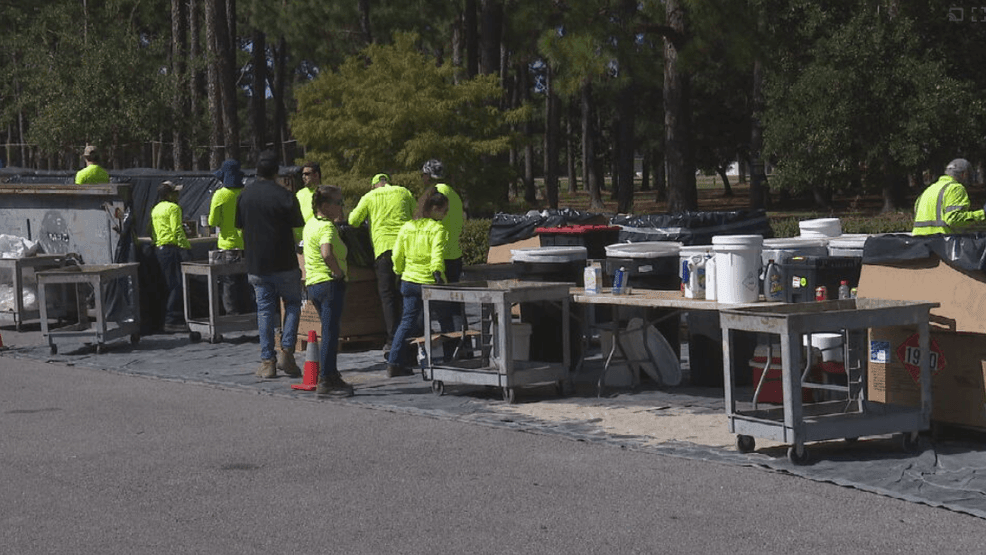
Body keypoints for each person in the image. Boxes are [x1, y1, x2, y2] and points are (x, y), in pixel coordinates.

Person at [235, 150, 306, 379]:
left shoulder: (245, 196)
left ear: (257, 170)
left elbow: (239, 226)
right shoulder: (285, 196)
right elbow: (297, 224)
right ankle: (287, 351)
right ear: (276, 172)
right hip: (284, 261)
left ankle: (267, 362)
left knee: (265, 310)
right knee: (293, 304)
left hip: (257, 263)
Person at [348, 171, 415, 359]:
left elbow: (353, 221)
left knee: (388, 297)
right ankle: (410, 336)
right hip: (407, 249)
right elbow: (416, 216)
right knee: (406, 293)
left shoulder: (370, 197)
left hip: (384, 251)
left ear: (373, 185)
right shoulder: (403, 192)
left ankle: (393, 339)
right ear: (387, 182)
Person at [386, 188, 449, 377]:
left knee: (406, 322)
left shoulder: (407, 227)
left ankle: (394, 362)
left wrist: (399, 271)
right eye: (444, 210)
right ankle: (448, 359)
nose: (446, 214)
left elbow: (397, 254)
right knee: (445, 320)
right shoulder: (438, 229)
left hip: (408, 280)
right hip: (428, 282)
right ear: (435, 209)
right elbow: (437, 254)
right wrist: (437, 273)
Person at [303, 185, 355, 397]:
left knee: (329, 330)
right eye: (337, 202)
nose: (341, 206)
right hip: (328, 283)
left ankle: (331, 374)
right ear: (325, 206)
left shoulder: (310, 225)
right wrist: (337, 273)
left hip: (314, 284)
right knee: (331, 333)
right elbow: (326, 253)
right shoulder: (326, 228)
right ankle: (326, 379)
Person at [421, 159, 464, 360]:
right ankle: (462, 347)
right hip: (454, 253)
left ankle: (451, 350)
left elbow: (424, 221)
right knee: (456, 305)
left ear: (428, 175)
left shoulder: (435, 194)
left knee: (443, 309)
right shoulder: (454, 194)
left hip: (439, 257)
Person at [148, 180, 191, 333]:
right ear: (169, 195)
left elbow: (152, 232)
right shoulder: (174, 208)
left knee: (167, 284)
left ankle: (167, 318)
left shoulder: (155, 209)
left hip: (159, 249)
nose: (178, 195)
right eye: (175, 192)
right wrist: (186, 247)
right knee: (177, 285)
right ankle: (172, 319)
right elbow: (177, 230)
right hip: (171, 248)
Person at [209, 159, 251, 315]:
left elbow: (212, 221)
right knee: (246, 282)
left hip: (228, 245)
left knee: (229, 282)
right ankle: (248, 313)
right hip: (246, 244)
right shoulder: (245, 192)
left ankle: (232, 316)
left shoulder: (220, 195)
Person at [913, 158, 986, 235]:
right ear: (964, 174)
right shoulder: (955, 188)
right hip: (942, 242)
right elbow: (953, 219)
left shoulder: (929, 189)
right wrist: (982, 214)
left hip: (918, 243)